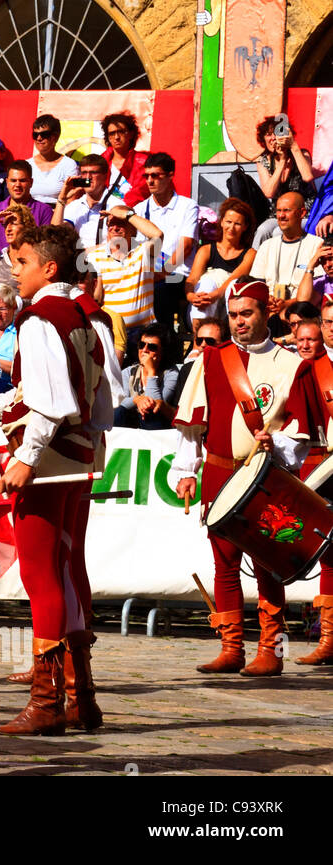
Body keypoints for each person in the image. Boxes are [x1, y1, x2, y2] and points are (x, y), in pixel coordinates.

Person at [0, 224, 110, 736]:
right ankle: (81, 698)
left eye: (20, 262)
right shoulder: (84, 315)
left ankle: (46, 702)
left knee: (43, 576)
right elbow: (81, 392)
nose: (12, 271)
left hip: (48, 463)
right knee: (67, 571)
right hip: (78, 456)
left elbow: (50, 400)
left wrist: (25, 456)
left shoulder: (40, 318)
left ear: (49, 268)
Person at [171, 279, 322, 678]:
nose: (238, 322)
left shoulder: (293, 365)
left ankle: (271, 650)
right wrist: (186, 470)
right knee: (223, 561)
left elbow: (302, 430)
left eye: (246, 314)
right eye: (233, 315)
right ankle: (231, 647)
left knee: (267, 561)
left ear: (266, 312)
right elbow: (192, 421)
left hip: (267, 475)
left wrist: (279, 442)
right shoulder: (211, 359)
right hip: (219, 469)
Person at [291, 318, 333, 665]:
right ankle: (326, 636)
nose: (306, 344)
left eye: (312, 338)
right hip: (320, 464)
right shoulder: (306, 370)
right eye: (329, 323)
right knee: (327, 551)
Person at [134, 152, 198, 336]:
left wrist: (162, 273)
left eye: (156, 175)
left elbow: (185, 247)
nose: (150, 181)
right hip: (148, 275)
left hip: (178, 275)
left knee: (160, 292)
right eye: (147, 176)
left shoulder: (188, 206)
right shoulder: (139, 209)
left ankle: (166, 347)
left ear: (170, 175)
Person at [86, 204, 163, 341]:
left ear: (133, 229)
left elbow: (157, 235)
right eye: (111, 224)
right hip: (111, 331)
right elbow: (95, 297)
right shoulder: (94, 256)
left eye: (121, 223)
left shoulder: (143, 251)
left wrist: (128, 215)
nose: (115, 228)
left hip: (144, 333)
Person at [185, 197, 256, 324]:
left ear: (245, 227)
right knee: (206, 283)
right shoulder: (206, 250)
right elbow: (192, 279)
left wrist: (214, 296)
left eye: (237, 224)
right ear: (222, 222)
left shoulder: (250, 254)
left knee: (232, 285)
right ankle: (200, 337)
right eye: (228, 222)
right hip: (203, 303)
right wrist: (191, 296)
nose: (231, 228)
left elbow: (233, 279)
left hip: (229, 305)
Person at [254, 115, 317, 246]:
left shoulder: (301, 154)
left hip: (304, 213)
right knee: (262, 231)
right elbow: (269, 192)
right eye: (268, 135)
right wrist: (282, 161)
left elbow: (308, 177)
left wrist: (293, 146)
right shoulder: (263, 161)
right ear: (263, 139)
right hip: (279, 214)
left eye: (276, 134)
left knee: (278, 232)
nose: (272, 139)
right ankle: (255, 265)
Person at [250, 191, 322, 304]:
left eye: (286, 210)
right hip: (269, 307)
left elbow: (318, 289)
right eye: (278, 210)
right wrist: (269, 300)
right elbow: (257, 284)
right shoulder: (267, 246)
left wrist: (286, 305)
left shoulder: (316, 244)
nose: (281, 215)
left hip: (301, 309)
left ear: (302, 213)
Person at [114, 323, 179, 429]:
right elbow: (121, 401)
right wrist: (136, 400)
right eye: (141, 345)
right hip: (131, 423)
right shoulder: (129, 372)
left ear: (163, 351)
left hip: (156, 425)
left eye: (152, 347)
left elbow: (155, 405)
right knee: (118, 412)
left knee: (150, 412)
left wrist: (151, 372)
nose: (144, 350)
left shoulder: (171, 374)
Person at [53, 153, 124, 246]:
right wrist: (61, 200)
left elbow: (120, 244)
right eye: (84, 173)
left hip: (103, 258)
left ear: (105, 176)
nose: (88, 177)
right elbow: (55, 235)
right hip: (77, 258)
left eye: (93, 173)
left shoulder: (117, 206)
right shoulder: (75, 206)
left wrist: (87, 252)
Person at [0, 161, 54, 250]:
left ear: (31, 182)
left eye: (22, 180)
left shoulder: (44, 210)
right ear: (7, 182)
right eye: (13, 180)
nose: (17, 185)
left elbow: (45, 248)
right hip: (1, 262)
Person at [27, 114, 78, 205]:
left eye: (44, 134)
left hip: (56, 213)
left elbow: (72, 199)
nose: (39, 138)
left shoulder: (69, 165)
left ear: (56, 136)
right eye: (35, 135)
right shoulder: (27, 165)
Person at [101, 111, 151, 206]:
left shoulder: (144, 162)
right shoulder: (101, 162)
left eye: (121, 132)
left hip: (131, 214)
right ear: (108, 137)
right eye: (112, 133)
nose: (116, 137)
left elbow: (140, 193)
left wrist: (120, 211)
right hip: (102, 214)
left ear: (131, 134)